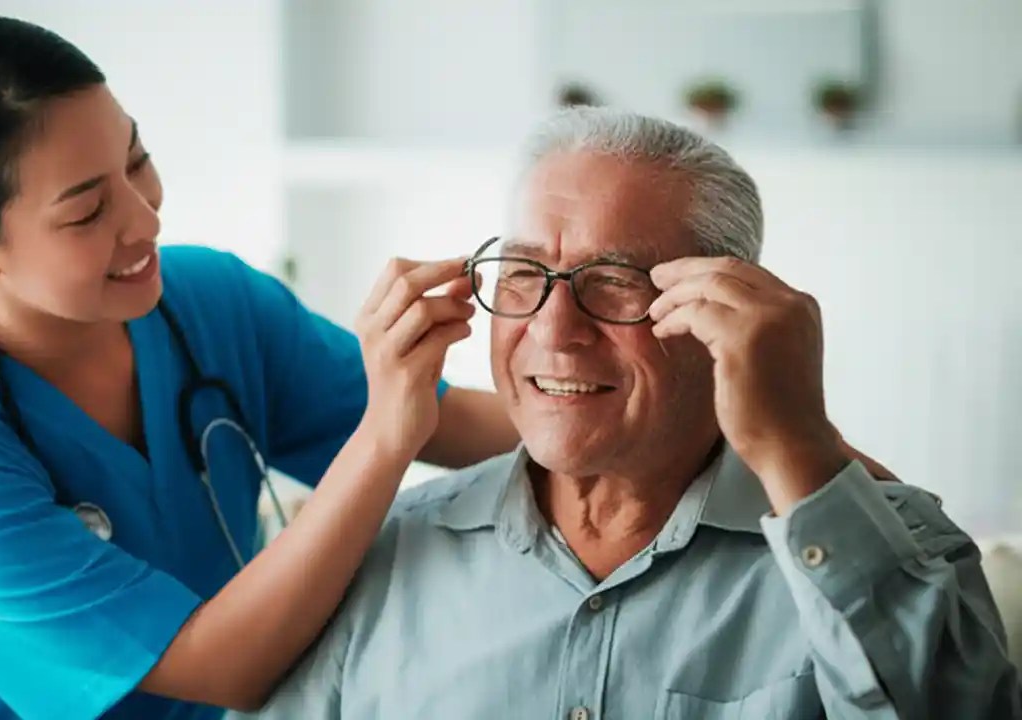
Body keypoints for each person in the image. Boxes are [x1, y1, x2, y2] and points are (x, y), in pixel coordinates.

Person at [0, 14, 525, 720]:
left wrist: (621, 399)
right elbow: (225, 670)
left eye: (136, 161)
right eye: (89, 210)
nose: (145, 219)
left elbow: (454, 421)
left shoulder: (210, 303)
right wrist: (384, 436)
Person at [256, 108, 1022, 719]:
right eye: (524, 274)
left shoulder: (902, 550)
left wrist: (795, 446)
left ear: (723, 309)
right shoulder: (376, 556)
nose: (554, 330)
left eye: (613, 280)